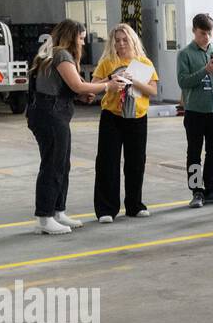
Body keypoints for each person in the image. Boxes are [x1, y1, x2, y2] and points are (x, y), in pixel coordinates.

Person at [28, 20, 125, 234]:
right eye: (81, 38)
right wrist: (107, 86)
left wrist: (83, 93)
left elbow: (70, 87)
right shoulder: (62, 54)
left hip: (53, 113)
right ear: (72, 36)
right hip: (50, 114)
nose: (83, 42)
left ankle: (57, 211)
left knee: (62, 164)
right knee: (53, 164)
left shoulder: (52, 53)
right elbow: (77, 85)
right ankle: (45, 217)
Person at [92, 23, 158, 223]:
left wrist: (133, 81)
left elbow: (152, 91)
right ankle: (106, 209)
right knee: (107, 162)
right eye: (117, 40)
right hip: (112, 116)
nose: (121, 43)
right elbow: (94, 86)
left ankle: (134, 204)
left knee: (136, 162)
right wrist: (111, 80)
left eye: (124, 39)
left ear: (132, 40)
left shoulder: (144, 62)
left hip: (137, 117)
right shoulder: (107, 62)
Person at [178, 13, 213, 208]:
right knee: (194, 152)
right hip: (194, 111)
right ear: (194, 31)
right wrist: (205, 71)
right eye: (202, 33)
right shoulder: (185, 54)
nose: (206, 37)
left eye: (209, 33)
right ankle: (196, 191)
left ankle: (210, 189)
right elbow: (183, 81)